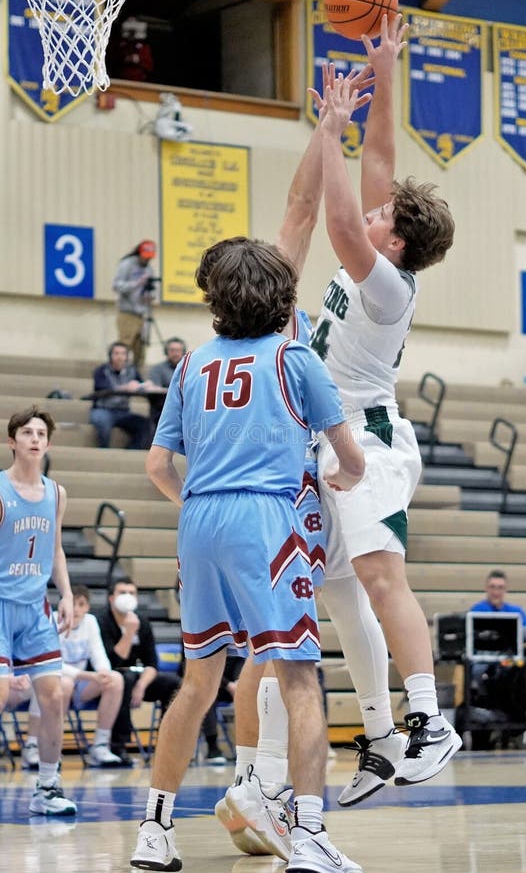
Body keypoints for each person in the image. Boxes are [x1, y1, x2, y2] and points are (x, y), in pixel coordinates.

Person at [130, 238, 365, 873]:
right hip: (265, 519)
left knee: (200, 680)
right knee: (299, 678)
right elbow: (353, 460)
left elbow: (157, 465)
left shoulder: (190, 364)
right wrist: (337, 480)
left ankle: (154, 831)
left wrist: (199, 507)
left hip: (199, 520)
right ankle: (311, 836)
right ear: (280, 297)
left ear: (215, 299)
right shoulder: (296, 357)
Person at [310, 13, 461, 805]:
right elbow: (383, 162)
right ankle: (377, 739)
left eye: (382, 220)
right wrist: (385, 68)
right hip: (329, 443)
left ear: (395, 244)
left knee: (379, 575)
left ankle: (431, 721)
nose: (373, 213)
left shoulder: (385, 281)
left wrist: (327, 129)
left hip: (367, 441)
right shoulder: (388, 252)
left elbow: (341, 219)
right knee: (341, 594)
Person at [0, 406, 77, 815]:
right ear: (12, 442)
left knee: (54, 695)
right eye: (26, 432)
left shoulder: (56, 493)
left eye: (40, 433)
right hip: (0, 605)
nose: (34, 438)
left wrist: (64, 594)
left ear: (48, 443)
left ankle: (47, 788)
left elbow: (56, 549)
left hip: (35, 609)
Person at [25, 583, 124, 768]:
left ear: (87, 607)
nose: (76, 609)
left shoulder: (91, 622)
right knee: (63, 683)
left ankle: (100, 746)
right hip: (57, 681)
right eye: (73, 604)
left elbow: (98, 652)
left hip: (80, 684)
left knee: (115, 680)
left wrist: (104, 671)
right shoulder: (52, 620)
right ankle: (47, 746)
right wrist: (87, 675)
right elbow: (52, 663)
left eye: (81, 604)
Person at [95, 576, 181, 766]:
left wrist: (142, 685)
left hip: (136, 679)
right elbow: (112, 661)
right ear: (111, 598)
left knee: (174, 684)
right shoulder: (101, 620)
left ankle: (167, 743)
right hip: (107, 680)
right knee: (123, 679)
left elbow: (152, 663)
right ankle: (119, 745)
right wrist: (129, 632)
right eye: (122, 593)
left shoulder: (142, 621)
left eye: (132, 593)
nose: (127, 596)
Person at [89, 341, 152, 449]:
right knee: (102, 422)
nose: (120, 357)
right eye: (116, 353)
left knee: (146, 425)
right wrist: (126, 387)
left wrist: (145, 385)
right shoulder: (101, 371)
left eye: (123, 354)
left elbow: (139, 384)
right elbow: (104, 388)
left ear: (127, 357)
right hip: (103, 409)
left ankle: (131, 452)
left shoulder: (132, 370)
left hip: (123, 411)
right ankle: (103, 452)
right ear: (110, 356)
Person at [112, 239, 159, 368]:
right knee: (125, 346)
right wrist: (136, 284)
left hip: (142, 313)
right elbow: (116, 285)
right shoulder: (127, 264)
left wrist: (150, 296)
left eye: (149, 258)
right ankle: (120, 373)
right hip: (127, 313)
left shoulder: (149, 268)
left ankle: (137, 375)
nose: (147, 260)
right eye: (145, 257)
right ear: (139, 253)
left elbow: (152, 288)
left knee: (141, 348)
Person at [470, 570, 526, 642]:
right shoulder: (476, 610)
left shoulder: (516, 611)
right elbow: (470, 634)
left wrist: (500, 632)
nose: (496, 592)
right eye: (492, 587)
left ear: (505, 590)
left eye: (500, 587)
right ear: (486, 588)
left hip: (510, 652)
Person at [148, 337, 187, 431]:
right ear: (166, 352)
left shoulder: (189, 369)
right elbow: (154, 389)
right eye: (172, 350)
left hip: (185, 408)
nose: (175, 353)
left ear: (183, 352)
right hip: (162, 409)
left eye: (178, 350)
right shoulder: (157, 369)